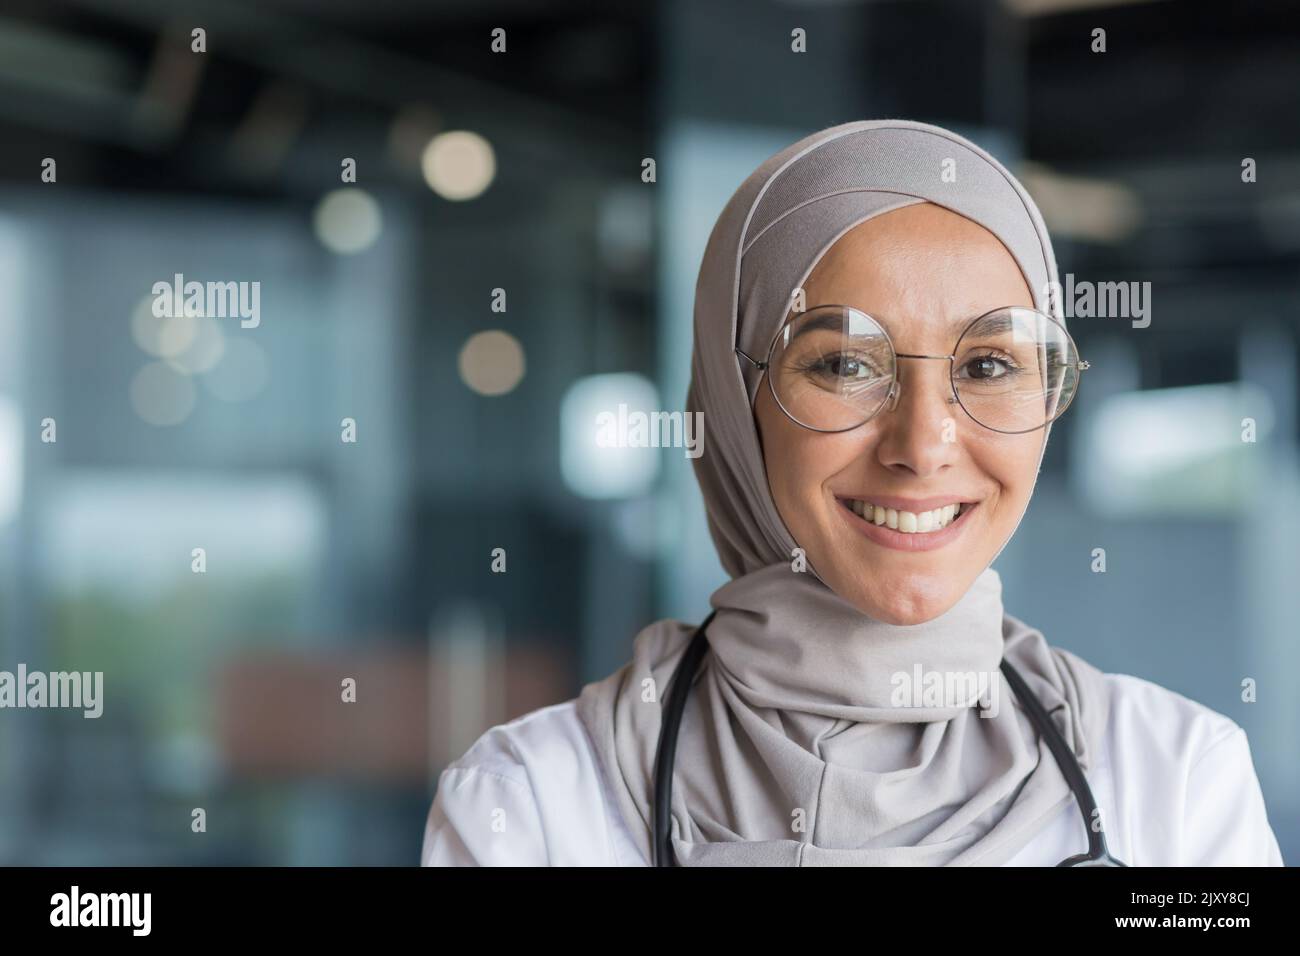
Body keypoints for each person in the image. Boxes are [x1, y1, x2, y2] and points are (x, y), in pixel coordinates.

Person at [421, 120, 1284, 866]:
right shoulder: (527, 806)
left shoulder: (1177, 779)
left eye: (989, 365)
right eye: (843, 364)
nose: (923, 445)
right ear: (733, 401)